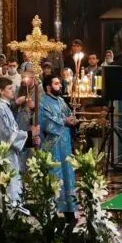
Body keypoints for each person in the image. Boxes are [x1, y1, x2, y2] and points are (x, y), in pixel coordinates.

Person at [0, 75, 29, 202]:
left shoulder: (4, 107)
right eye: (9, 88)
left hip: (7, 155)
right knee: (2, 193)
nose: (13, 90)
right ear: (1, 91)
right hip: (1, 157)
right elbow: (7, 135)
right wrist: (29, 135)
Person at [40, 74, 77, 212]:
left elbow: (68, 115)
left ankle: (69, 207)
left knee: (67, 172)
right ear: (48, 87)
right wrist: (64, 121)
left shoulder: (61, 100)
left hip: (65, 143)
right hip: (53, 144)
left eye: (60, 83)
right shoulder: (43, 102)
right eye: (56, 83)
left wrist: (73, 120)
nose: (60, 85)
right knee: (56, 173)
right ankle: (55, 208)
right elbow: (45, 122)